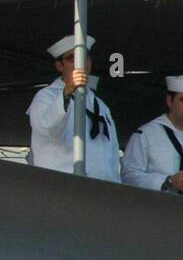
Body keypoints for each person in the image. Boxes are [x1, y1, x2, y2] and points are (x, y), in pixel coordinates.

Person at [26, 35, 120, 182]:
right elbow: (48, 128)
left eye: (85, 57)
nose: (81, 62)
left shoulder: (101, 106)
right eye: (72, 58)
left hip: (102, 191)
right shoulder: (46, 97)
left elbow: (113, 153)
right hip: (63, 187)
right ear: (59, 66)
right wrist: (67, 92)